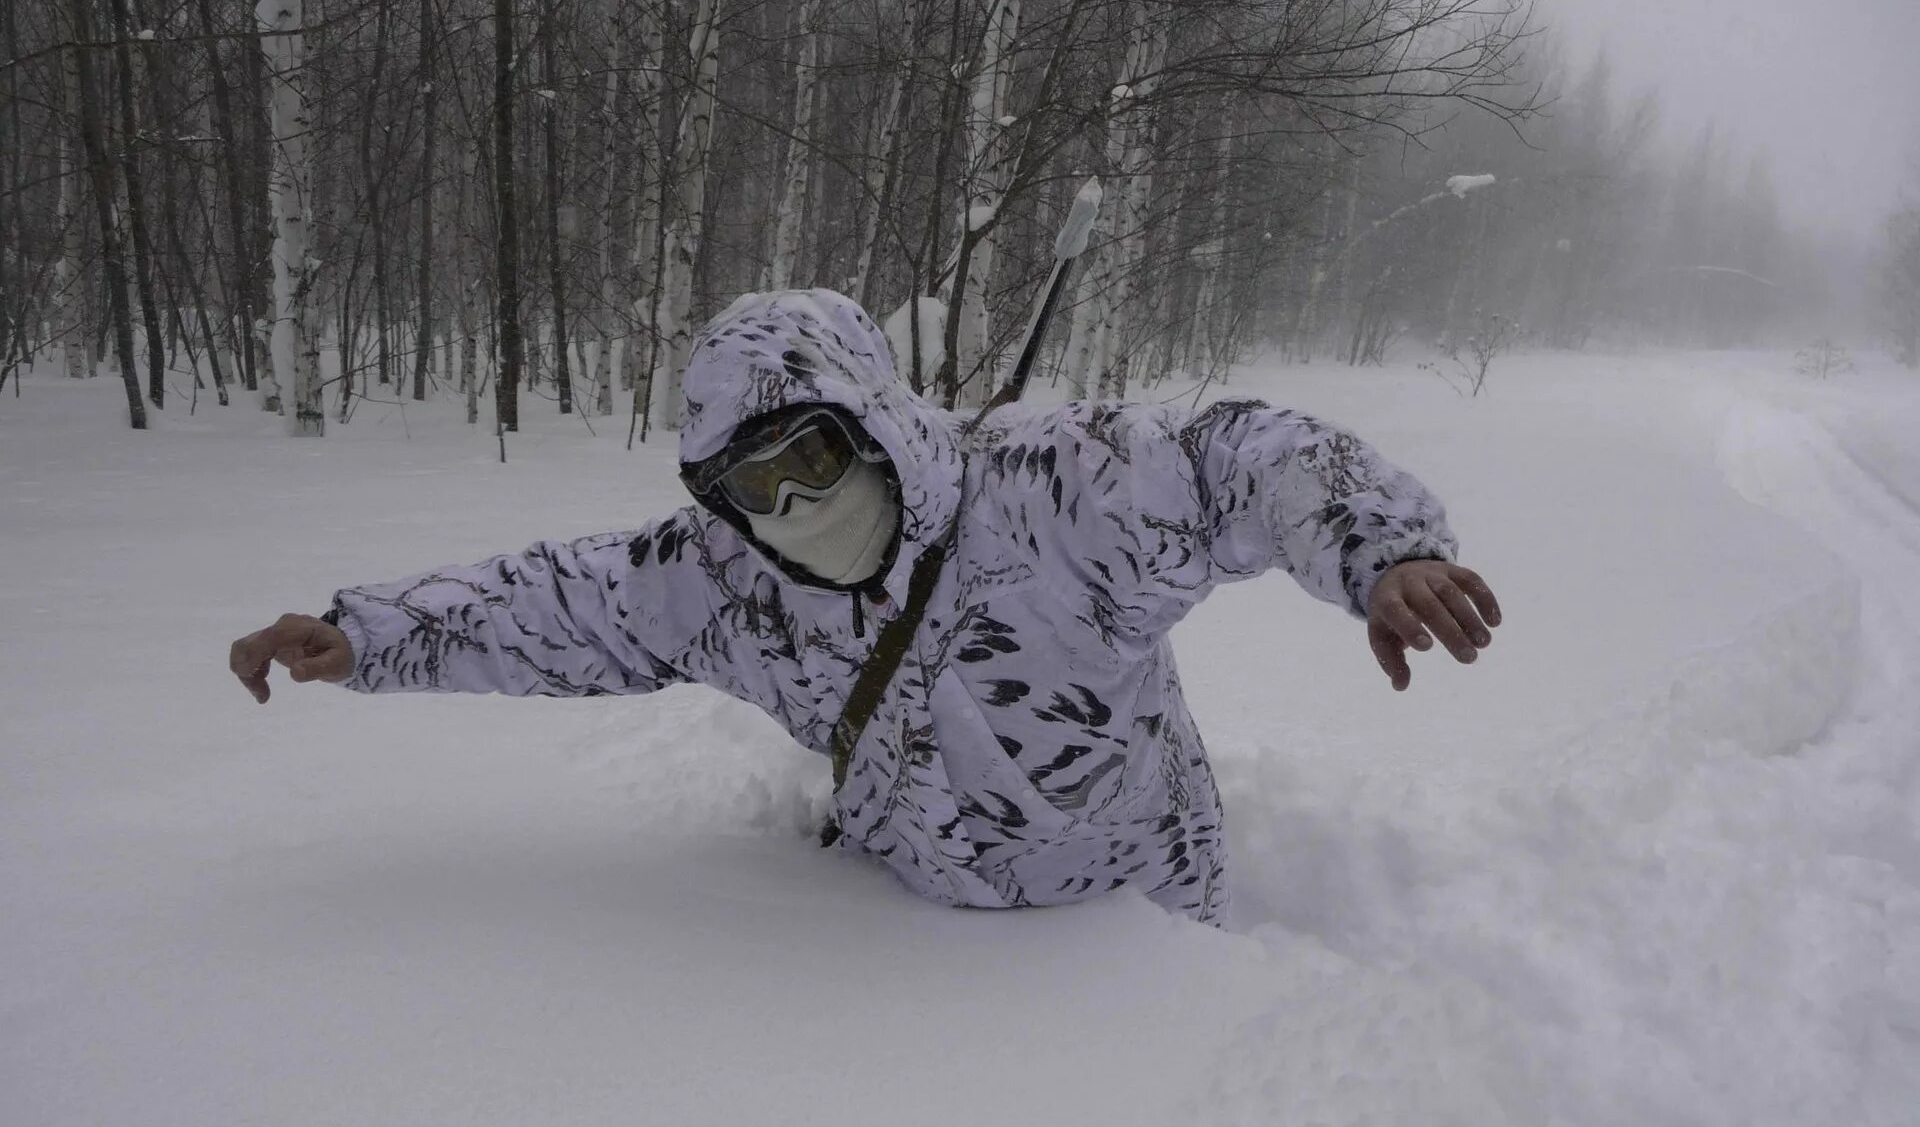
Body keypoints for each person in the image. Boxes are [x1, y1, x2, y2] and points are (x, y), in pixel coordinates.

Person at [230, 289, 1500, 924]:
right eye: (753, 487)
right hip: (915, 945)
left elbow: (1245, 454)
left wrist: (1377, 552)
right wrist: (370, 634)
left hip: (1140, 920)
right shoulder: (729, 584)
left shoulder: (1062, 493)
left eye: (812, 458)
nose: (791, 506)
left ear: (874, 419)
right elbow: (562, 606)